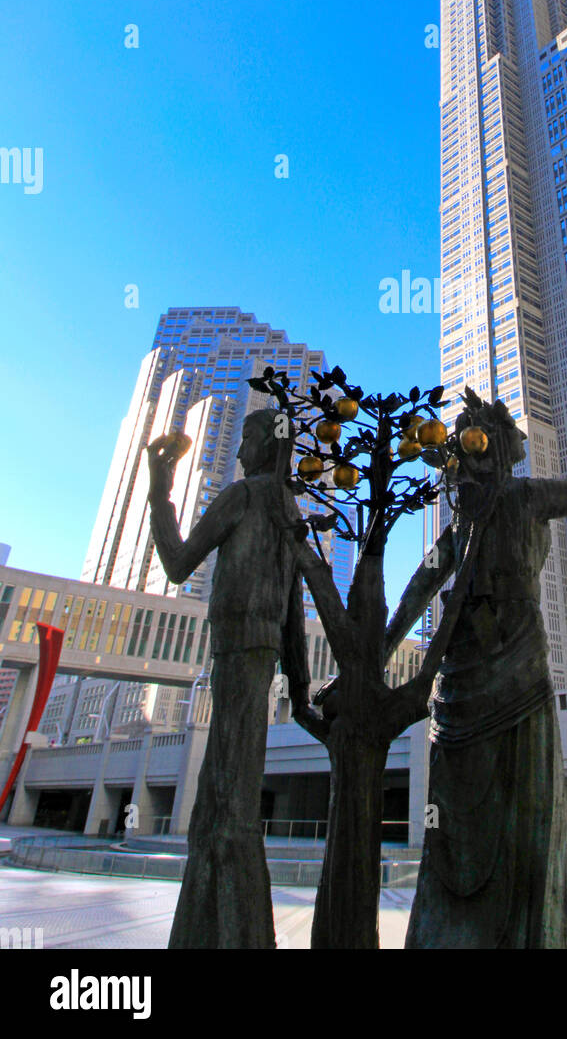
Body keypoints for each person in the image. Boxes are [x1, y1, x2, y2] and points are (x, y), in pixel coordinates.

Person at [384, 360, 567, 949]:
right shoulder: (459, 529)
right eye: (460, 448)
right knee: (456, 822)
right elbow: (417, 591)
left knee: (524, 821)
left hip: (519, 677)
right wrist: (371, 659)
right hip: (459, 688)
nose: (466, 460)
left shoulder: (525, 498)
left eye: (475, 442)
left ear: (492, 450)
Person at [146, 407, 326, 949]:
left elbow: (178, 563)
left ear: (266, 445)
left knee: (224, 787)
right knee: (233, 785)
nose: (240, 449)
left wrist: (160, 490)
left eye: (246, 438)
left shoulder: (245, 496)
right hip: (260, 654)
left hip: (236, 653)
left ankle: (222, 912)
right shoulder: (288, 507)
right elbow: (294, 610)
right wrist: (298, 688)